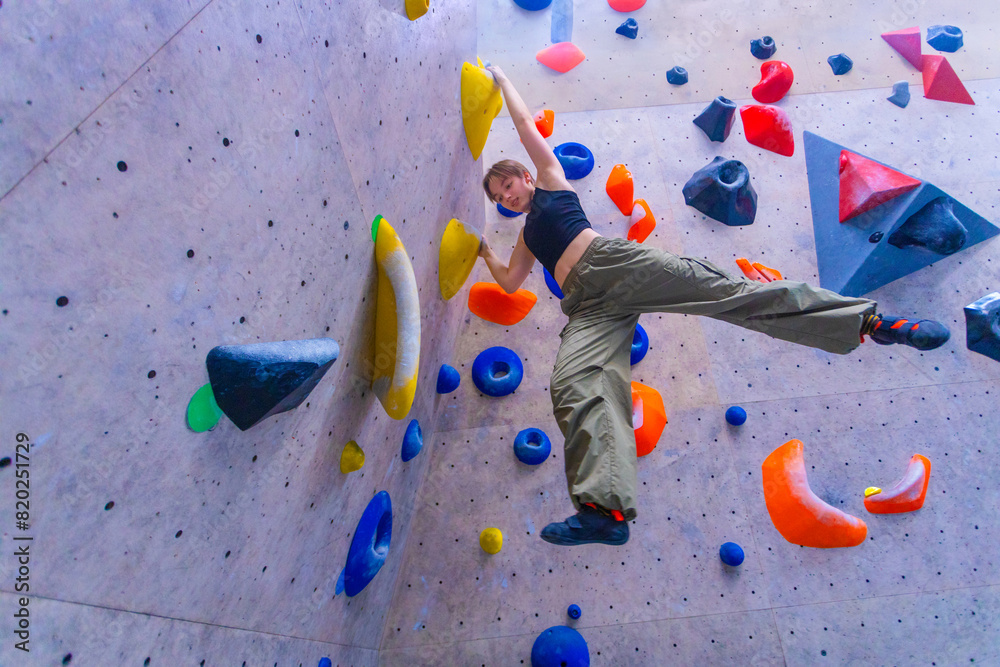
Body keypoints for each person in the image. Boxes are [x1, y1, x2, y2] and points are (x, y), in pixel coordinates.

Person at [477, 65, 950, 547]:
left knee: (729, 294)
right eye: (499, 198)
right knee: (575, 381)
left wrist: (501, 80)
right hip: (587, 307)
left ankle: (871, 322)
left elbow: (523, 126)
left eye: (507, 186)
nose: (507, 198)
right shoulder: (528, 235)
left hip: (617, 265)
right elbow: (511, 281)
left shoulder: (553, 181)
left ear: (522, 175)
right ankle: (604, 509)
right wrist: (485, 252)